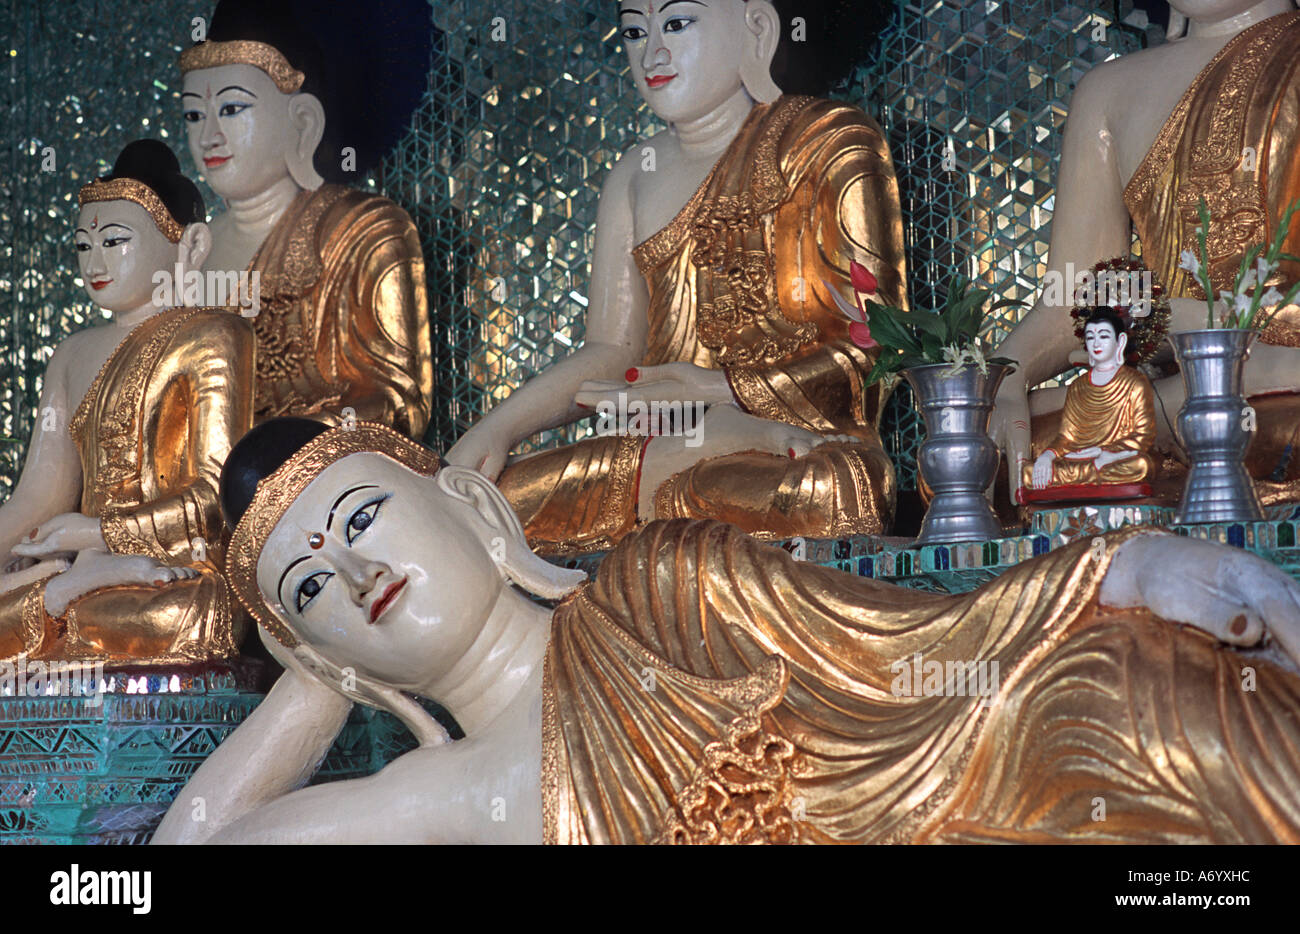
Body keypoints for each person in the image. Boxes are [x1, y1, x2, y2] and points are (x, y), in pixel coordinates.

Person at [153, 418, 1300, 844]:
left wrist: (1127, 562)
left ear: (468, 504)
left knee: (1134, 690)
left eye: (360, 521)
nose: (353, 573)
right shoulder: (446, 797)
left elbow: (923, 649)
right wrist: (317, 673)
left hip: (948, 789)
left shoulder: (670, 577)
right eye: (312, 587)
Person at [447, 0, 905, 553]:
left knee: (832, 491)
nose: (653, 52)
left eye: (677, 23)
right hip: (658, 438)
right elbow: (613, 352)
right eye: (635, 31)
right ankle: (683, 455)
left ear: (756, 26)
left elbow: (880, 347)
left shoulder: (828, 142)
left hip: (797, 446)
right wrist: (497, 429)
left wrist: (717, 391)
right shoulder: (634, 174)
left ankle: (685, 464)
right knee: (482, 505)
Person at [991, 0, 1300, 503]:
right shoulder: (1110, 92)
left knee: (1277, 412)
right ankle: (1184, 406)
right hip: (1170, 402)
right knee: (993, 447)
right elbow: (1071, 298)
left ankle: (1192, 402)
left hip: (1278, 390)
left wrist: (1197, 322)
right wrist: (1003, 379)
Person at [0, 141, 254, 664]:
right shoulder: (71, 354)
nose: (96, 262)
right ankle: (66, 588)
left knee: (189, 616)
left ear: (190, 245)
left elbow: (213, 499)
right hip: (82, 562)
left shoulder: (212, 335)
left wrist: (96, 533)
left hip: (172, 571)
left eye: (115, 241)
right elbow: (37, 497)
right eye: (83, 245)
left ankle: (66, 591)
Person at [179, 0, 433, 436]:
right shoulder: (185, 254)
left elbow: (399, 401)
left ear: (302, 119)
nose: (209, 135)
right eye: (193, 115)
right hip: (204, 490)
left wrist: (274, 443)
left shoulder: (363, 229)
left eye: (232, 109)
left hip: (324, 483)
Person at [1025, 308, 1157, 490]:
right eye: (1090, 337)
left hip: (1114, 459)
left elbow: (1144, 435)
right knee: (1029, 472)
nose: (1096, 344)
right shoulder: (1077, 387)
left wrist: (1105, 451)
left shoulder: (1135, 382)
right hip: (1080, 460)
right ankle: (1087, 475)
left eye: (1103, 336)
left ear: (1120, 342)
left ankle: (1093, 473)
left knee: (1142, 465)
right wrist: (1047, 456)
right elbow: (1066, 437)